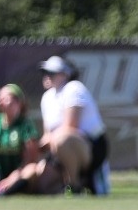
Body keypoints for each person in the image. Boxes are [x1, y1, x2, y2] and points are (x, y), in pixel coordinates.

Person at [38, 55, 111, 195]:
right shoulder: (47, 97)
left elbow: (70, 127)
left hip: (92, 147)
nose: (46, 76)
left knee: (62, 139)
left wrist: (49, 140)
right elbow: (47, 134)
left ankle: (75, 186)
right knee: (41, 182)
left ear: (64, 74)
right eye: (44, 73)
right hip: (60, 148)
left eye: (51, 73)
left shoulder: (73, 88)